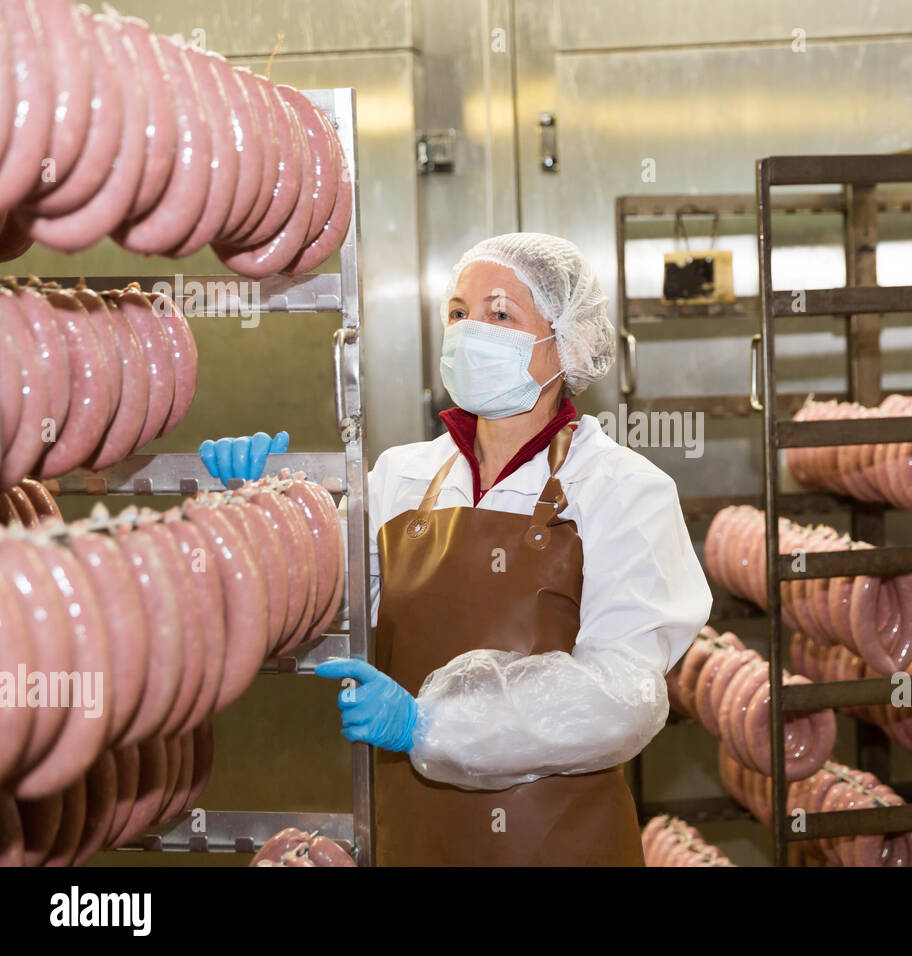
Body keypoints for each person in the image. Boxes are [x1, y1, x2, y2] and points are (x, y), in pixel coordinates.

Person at [201, 232, 712, 865]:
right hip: (414, 836)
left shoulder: (621, 489)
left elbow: (622, 697)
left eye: (500, 314)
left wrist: (430, 726)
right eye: (458, 313)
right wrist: (262, 511)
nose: (472, 331)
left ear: (567, 342)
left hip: (557, 844)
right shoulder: (402, 477)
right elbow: (317, 607)